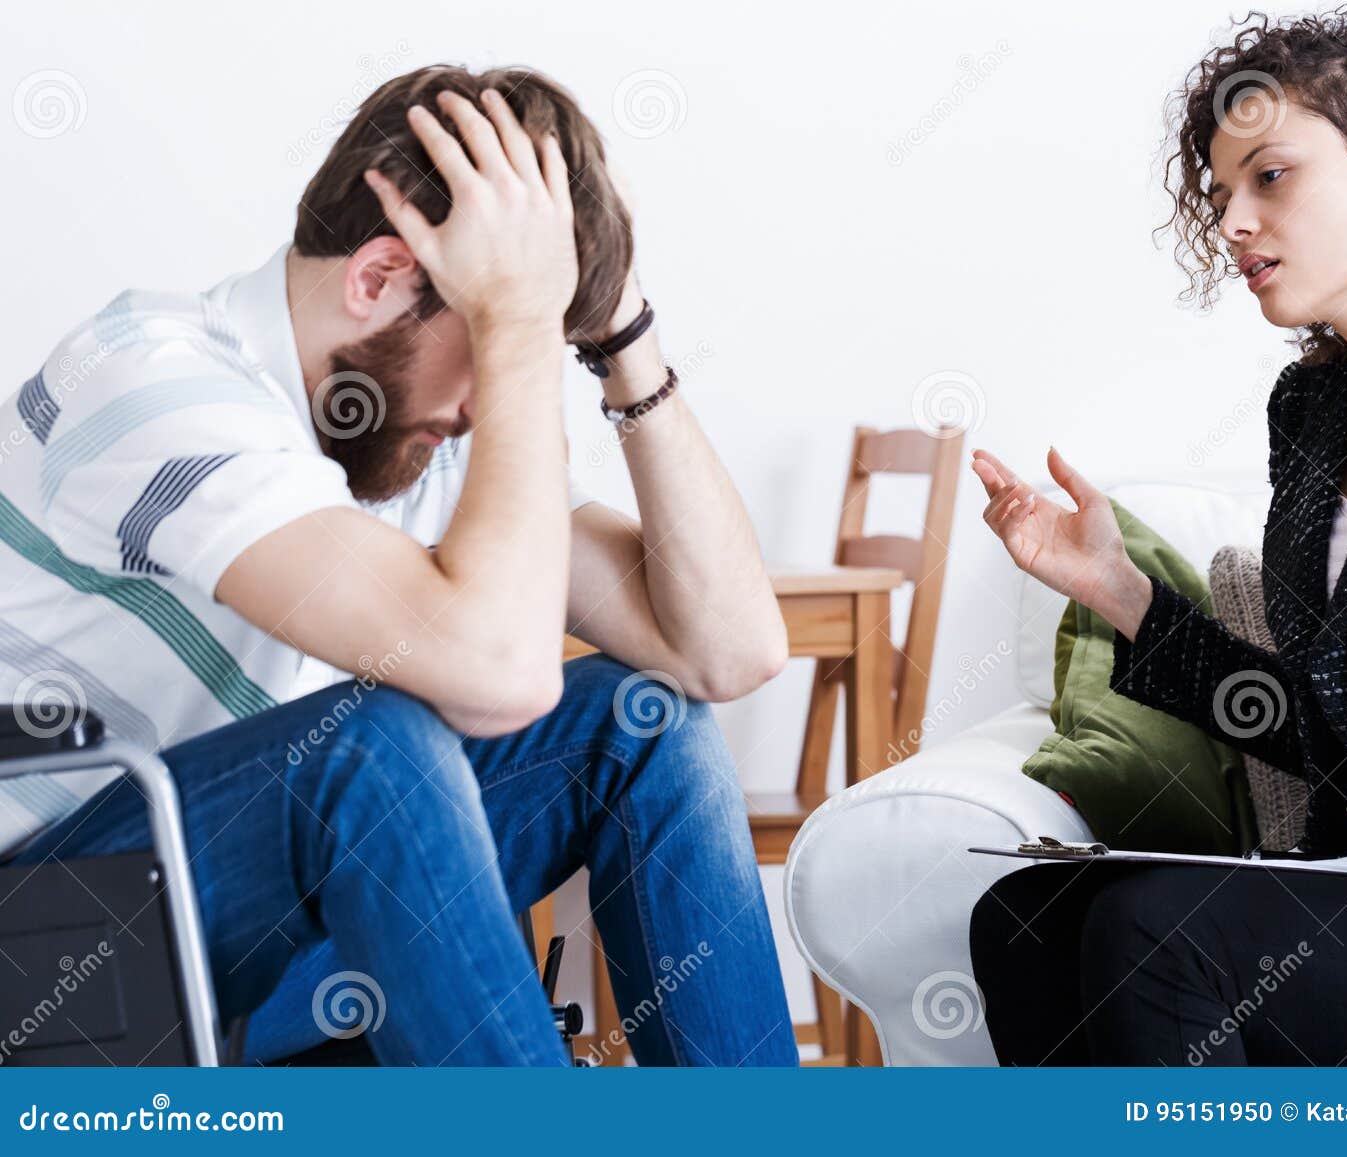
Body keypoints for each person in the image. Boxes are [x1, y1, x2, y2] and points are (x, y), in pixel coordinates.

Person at [0, 65, 798, 1067]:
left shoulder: (400, 431)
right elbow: (500, 673)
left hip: (237, 950)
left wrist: (618, 331)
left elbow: (727, 651)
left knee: (643, 725)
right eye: (500, 336)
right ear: (376, 279)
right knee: (370, 744)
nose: (482, 407)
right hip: (48, 955)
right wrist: (512, 327)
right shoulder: (149, 381)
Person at [967, 8, 1347, 1065]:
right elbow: (1312, 723)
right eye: (1220, 195)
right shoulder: (1309, 412)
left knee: (1157, 936)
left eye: (1270, 177)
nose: (1231, 222)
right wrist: (1122, 594)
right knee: (1022, 913)